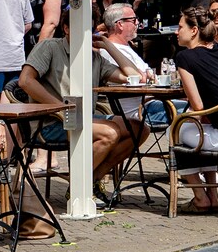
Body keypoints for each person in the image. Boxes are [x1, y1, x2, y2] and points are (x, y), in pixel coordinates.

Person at [18, 17, 141, 206]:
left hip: (85, 118)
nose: (87, 34)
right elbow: (25, 81)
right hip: (52, 122)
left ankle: (90, 182)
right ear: (66, 28)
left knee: (139, 128)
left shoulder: (93, 57)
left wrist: (108, 45)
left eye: (89, 29)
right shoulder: (49, 47)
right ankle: (78, 186)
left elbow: (133, 77)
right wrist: (60, 107)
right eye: (81, 28)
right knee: (110, 133)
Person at [172, 7, 218, 214]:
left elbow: (197, 106)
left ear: (194, 30)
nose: (176, 32)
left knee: (180, 129)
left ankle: (200, 196)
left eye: (180, 27)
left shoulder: (185, 58)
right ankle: (213, 195)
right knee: (201, 124)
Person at [98, 3, 176, 125]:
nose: (138, 23)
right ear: (120, 24)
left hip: (152, 104)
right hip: (140, 112)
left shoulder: (125, 47)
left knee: (194, 105)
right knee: (192, 111)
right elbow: (141, 78)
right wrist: (147, 76)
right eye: (133, 20)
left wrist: (148, 75)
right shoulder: (109, 52)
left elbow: (149, 74)